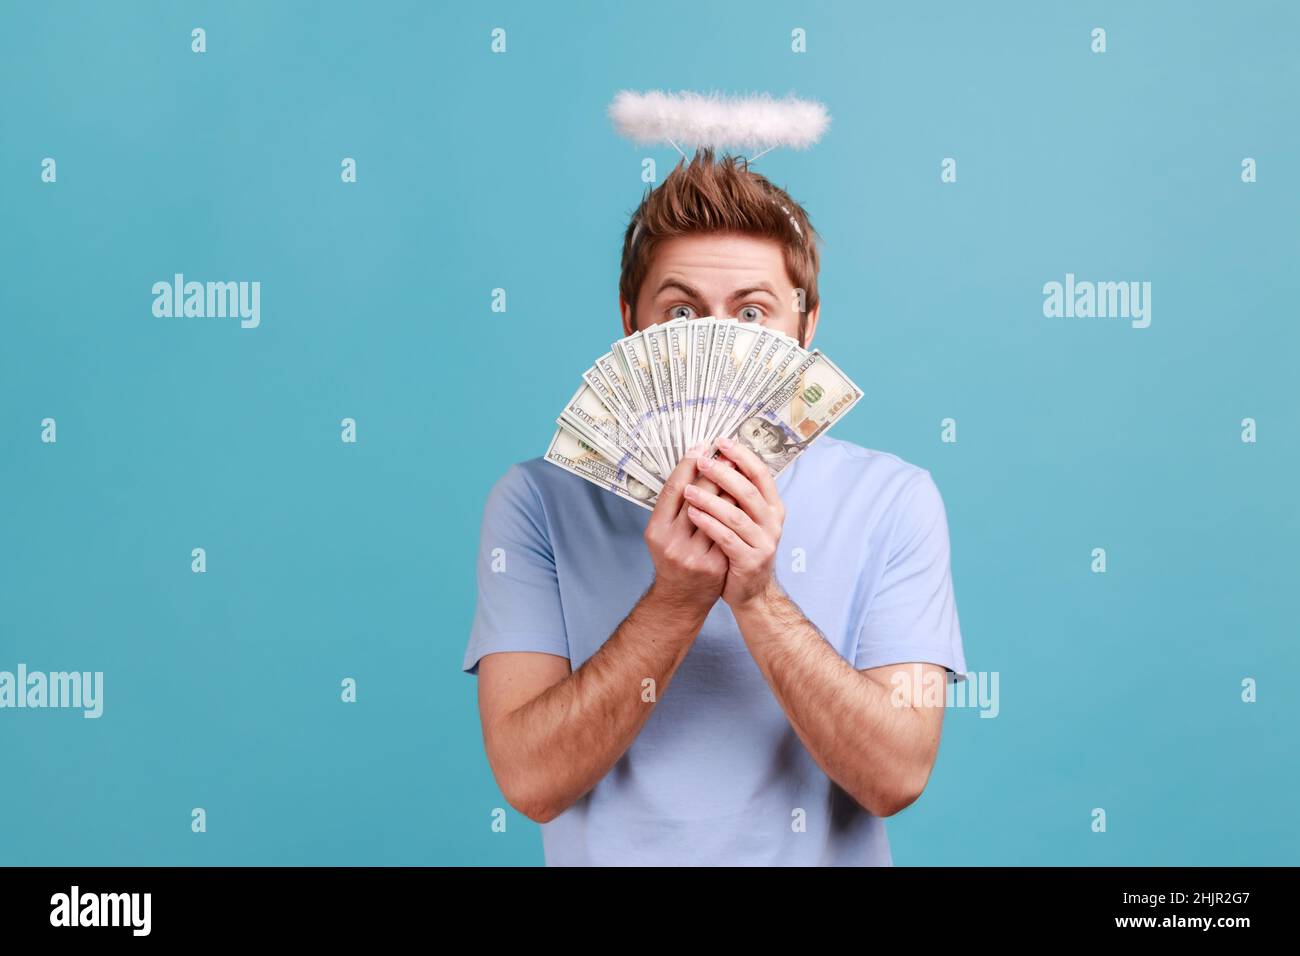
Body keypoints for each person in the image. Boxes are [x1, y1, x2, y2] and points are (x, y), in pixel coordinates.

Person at [463, 148, 967, 865]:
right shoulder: (535, 503)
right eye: (682, 311)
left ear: (806, 326)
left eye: (753, 312)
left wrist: (757, 598)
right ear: (630, 322)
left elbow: (897, 776)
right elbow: (530, 781)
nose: (719, 342)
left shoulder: (894, 500)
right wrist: (675, 601)